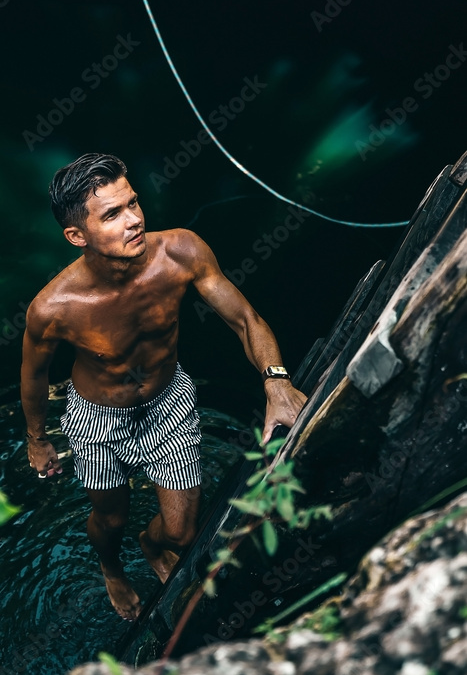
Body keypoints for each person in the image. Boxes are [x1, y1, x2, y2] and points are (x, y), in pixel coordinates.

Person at [20, 153, 308, 621]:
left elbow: (244, 319)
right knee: (109, 519)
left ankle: (152, 544)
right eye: (112, 215)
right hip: (95, 418)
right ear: (77, 236)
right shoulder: (54, 307)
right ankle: (112, 568)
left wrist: (276, 382)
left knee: (181, 534)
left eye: (133, 203)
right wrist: (37, 439)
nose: (134, 220)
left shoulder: (181, 252)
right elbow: (33, 376)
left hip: (167, 401)